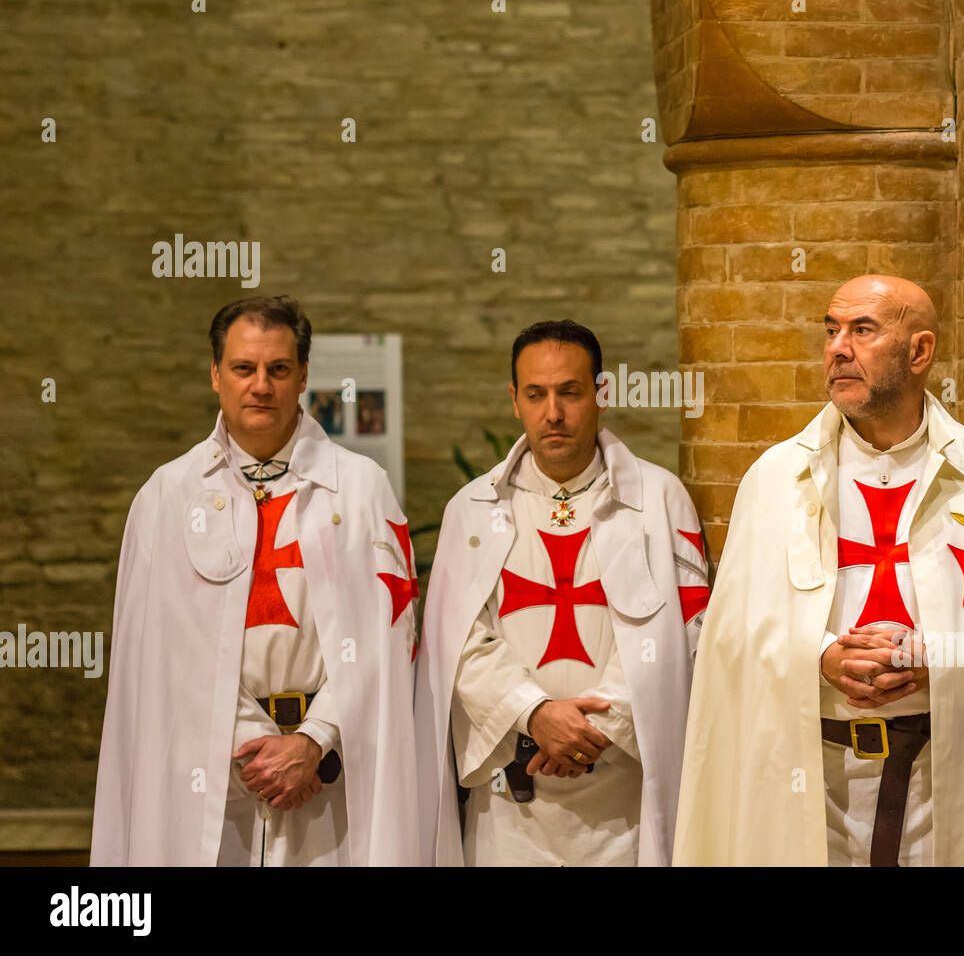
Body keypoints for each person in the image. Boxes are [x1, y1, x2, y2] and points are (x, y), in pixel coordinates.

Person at [674, 275, 964, 866]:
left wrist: (940, 655)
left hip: (951, 784)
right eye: (831, 330)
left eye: (862, 330)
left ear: (920, 352)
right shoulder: (774, 480)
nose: (837, 348)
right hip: (809, 787)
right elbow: (730, 638)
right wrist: (822, 655)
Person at [91, 296, 420, 866]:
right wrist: (255, 747)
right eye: (244, 368)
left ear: (304, 377)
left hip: (331, 776)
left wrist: (313, 739)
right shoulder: (167, 496)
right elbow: (154, 649)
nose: (261, 385)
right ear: (216, 374)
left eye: (279, 369)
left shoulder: (364, 489)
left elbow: (390, 636)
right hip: (210, 780)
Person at [414, 320, 709, 866]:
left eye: (570, 392)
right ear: (515, 400)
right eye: (536, 394)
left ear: (600, 394)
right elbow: (458, 644)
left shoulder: (660, 500)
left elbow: (684, 636)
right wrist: (534, 714)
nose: (553, 412)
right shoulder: (472, 510)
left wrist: (597, 729)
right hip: (512, 805)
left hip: (625, 797)